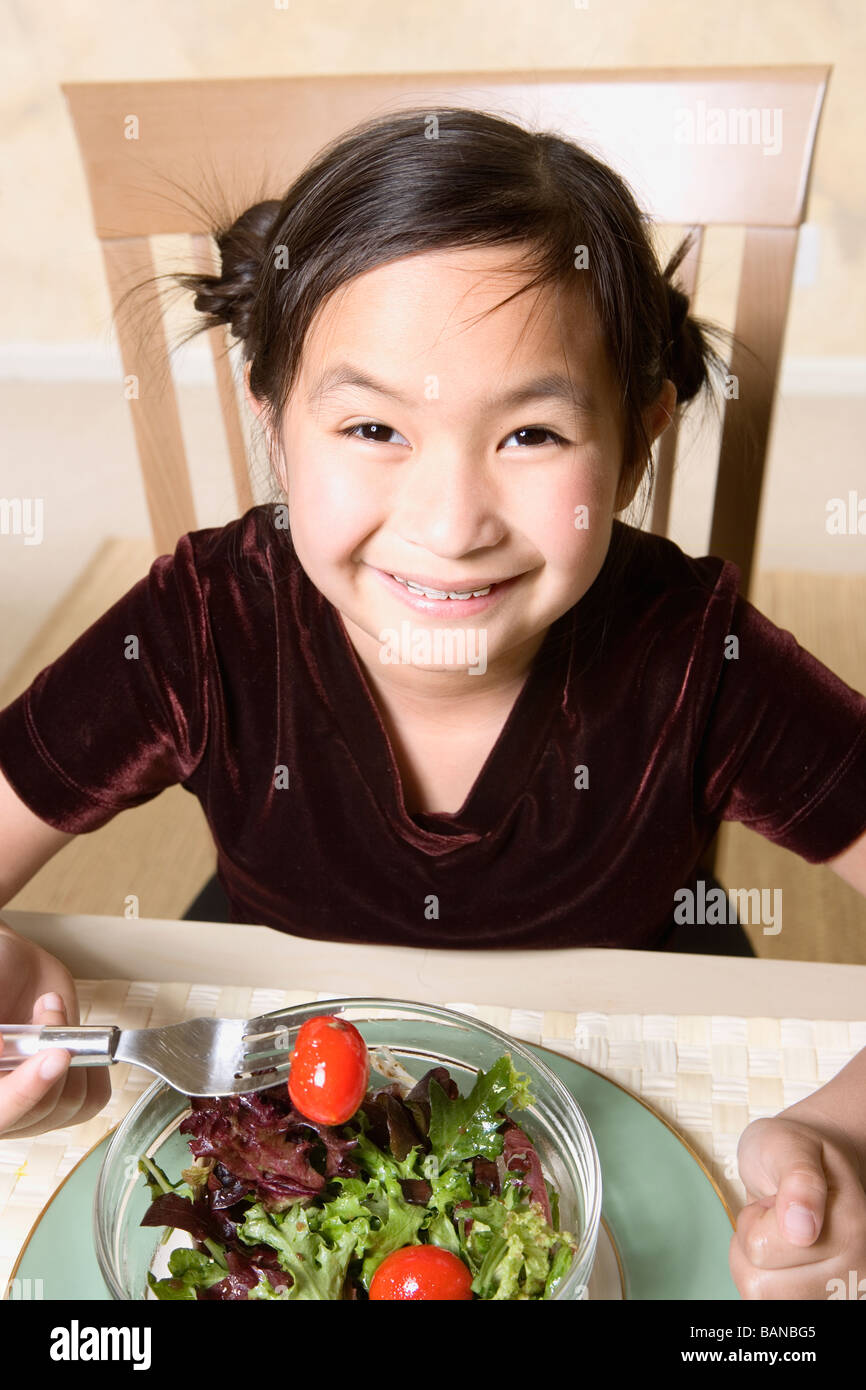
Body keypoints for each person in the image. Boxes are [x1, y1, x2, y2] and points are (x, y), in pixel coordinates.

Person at [0, 107, 864, 1296]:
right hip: (283, 1052)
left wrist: (845, 1127)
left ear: (636, 442)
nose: (450, 523)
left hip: (643, 1074)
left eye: (528, 431)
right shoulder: (203, 624)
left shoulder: (689, 651)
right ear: (272, 421)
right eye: (370, 427)